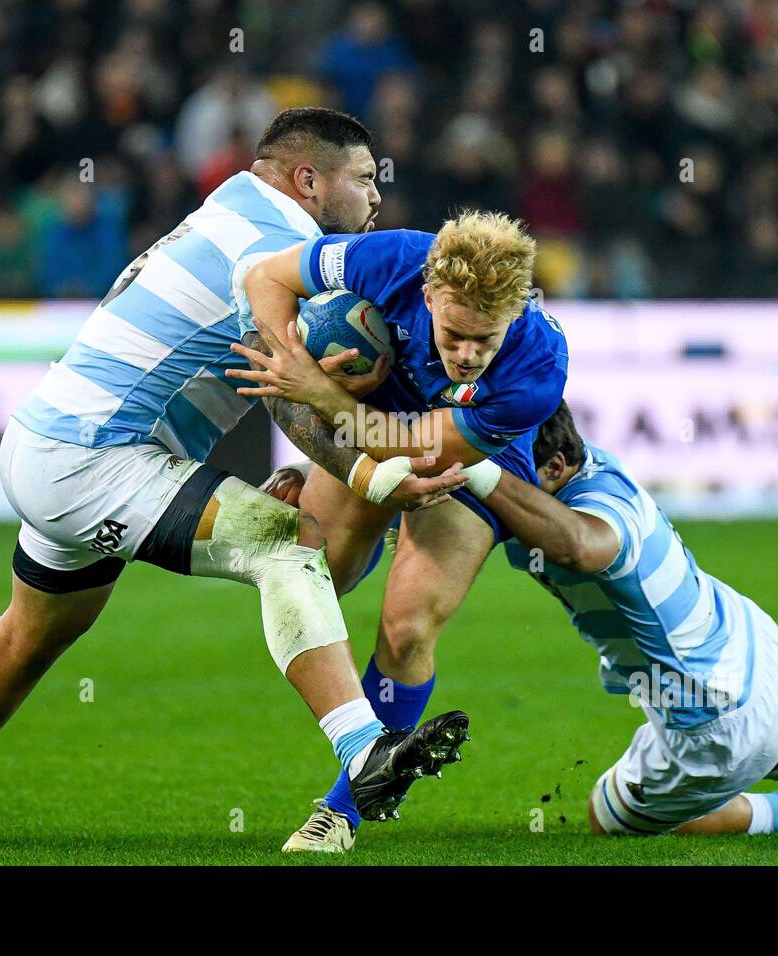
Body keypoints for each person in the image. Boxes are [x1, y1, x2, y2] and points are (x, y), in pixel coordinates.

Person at [0, 107, 471, 841]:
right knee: (284, 544)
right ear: (309, 178)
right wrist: (369, 476)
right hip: (95, 459)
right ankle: (365, 750)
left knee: (32, 632)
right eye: (364, 178)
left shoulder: (228, 206)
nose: (376, 195)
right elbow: (288, 395)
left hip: (50, 438)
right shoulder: (280, 244)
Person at [228, 210, 569, 851]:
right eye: (456, 334)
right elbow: (265, 275)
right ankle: (341, 497)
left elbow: (415, 448)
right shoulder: (389, 260)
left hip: (471, 462)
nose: (468, 355)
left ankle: (343, 808)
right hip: (376, 414)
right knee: (316, 576)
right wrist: (291, 356)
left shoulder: (537, 368)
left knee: (408, 626)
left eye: (485, 341)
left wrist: (320, 397)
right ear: (430, 292)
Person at [467, 402, 778, 836]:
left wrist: (482, 475)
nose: (498, 477)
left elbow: (580, 547)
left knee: (608, 817)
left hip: (723, 721)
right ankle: (765, 748)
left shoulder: (601, 507)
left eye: (505, 467)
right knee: (650, 666)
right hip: (753, 645)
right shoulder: (584, 464)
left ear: (555, 466)